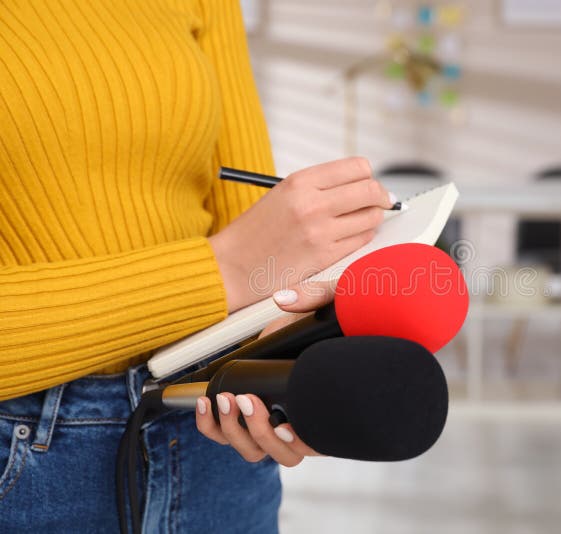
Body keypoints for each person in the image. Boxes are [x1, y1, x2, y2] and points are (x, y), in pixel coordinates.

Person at [0, 1, 393, 531]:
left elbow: (254, 241)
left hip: (210, 430)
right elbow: (240, 260)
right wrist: (221, 270)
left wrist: (281, 349)